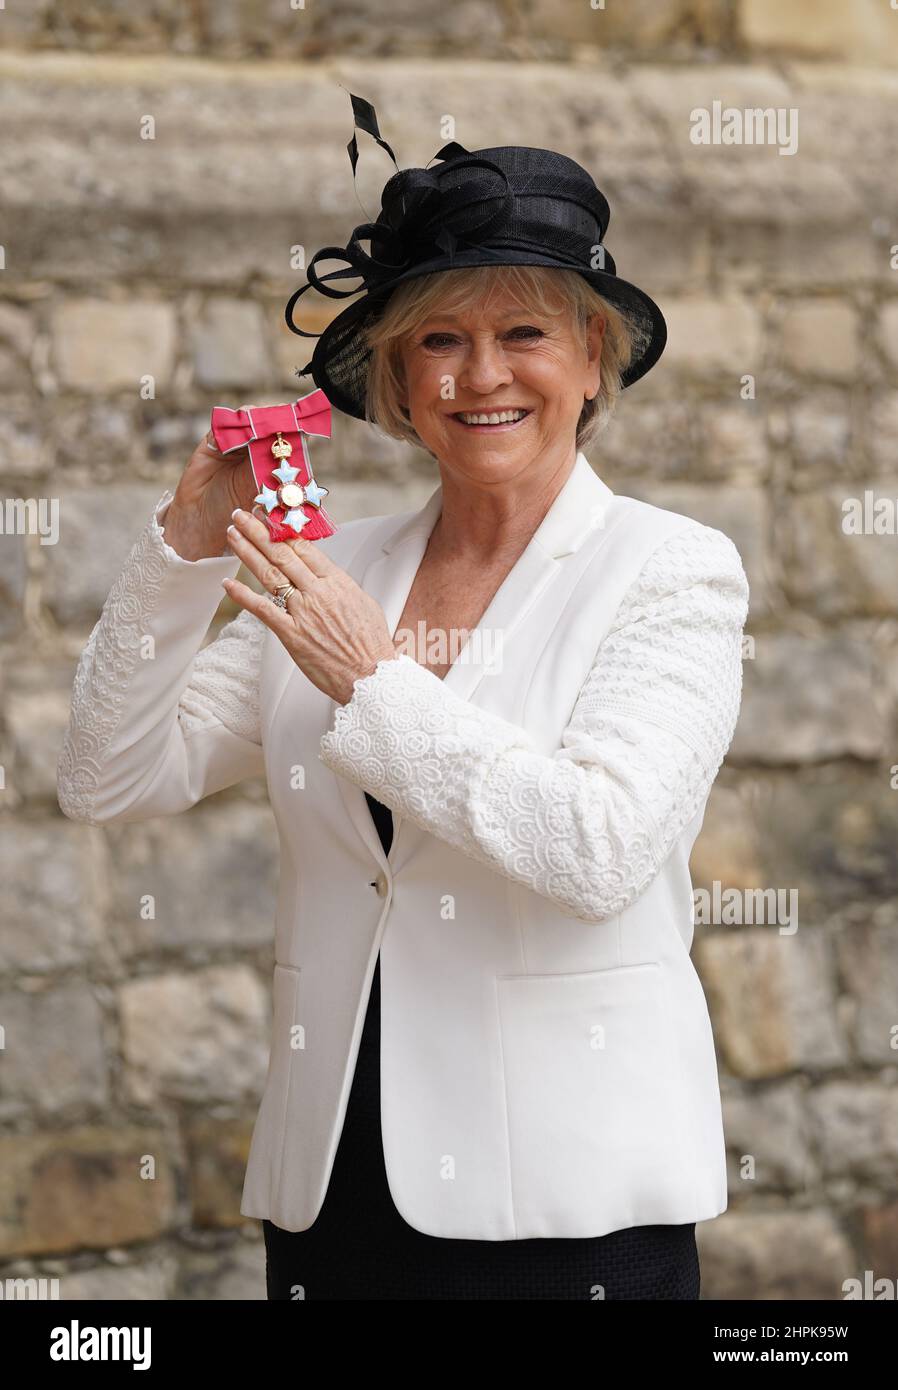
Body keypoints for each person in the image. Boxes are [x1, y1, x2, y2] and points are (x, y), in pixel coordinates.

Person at [57, 95, 750, 1300]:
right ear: (396, 375)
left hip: (563, 1214)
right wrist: (183, 546)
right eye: (437, 341)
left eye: (524, 332)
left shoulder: (670, 568)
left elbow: (597, 846)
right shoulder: (342, 565)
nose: (481, 374)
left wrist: (369, 677)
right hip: (336, 1196)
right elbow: (108, 777)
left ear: (593, 358)